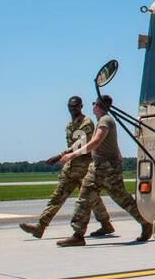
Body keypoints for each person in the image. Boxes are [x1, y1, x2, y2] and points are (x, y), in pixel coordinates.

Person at [56, 95, 154, 247]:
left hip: (107, 169)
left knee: (122, 199)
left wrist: (73, 154)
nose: (92, 105)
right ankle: (78, 235)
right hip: (98, 167)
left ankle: (146, 223)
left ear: (99, 106)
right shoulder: (102, 121)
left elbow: (95, 142)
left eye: (94, 103)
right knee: (84, 198)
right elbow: (111, 143)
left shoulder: (105, 120)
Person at [20, 96, 115, 239]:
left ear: (81, 106)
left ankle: (106, 224)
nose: (73, 109)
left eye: (76, 106)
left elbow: (81, 144)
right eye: (71, 107)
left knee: (93, 199)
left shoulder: (87, 123)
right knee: (57, 198)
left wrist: (60, 155)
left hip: (84, 169)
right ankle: (40, 227)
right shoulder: (70, 125)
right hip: (70, 169)